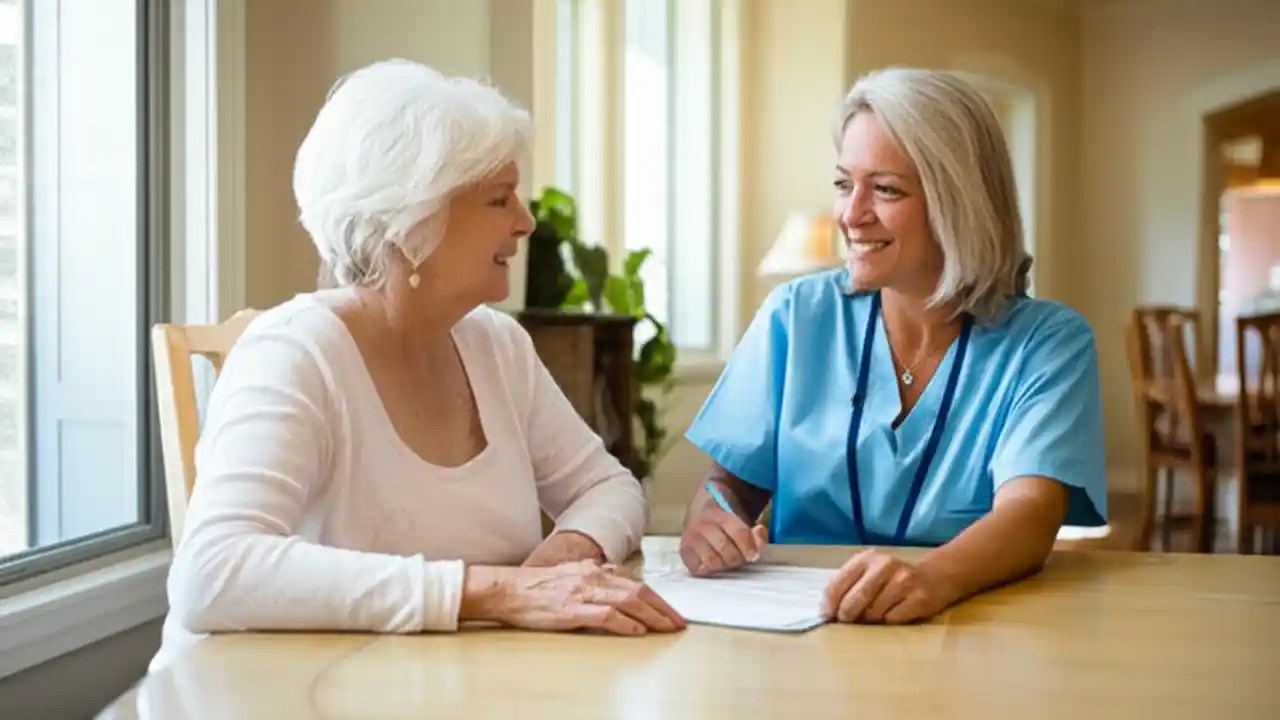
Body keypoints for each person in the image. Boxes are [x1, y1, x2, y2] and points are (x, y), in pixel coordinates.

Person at [151, 60, 684, 670]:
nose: (526, 221)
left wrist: (565, 556)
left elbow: (608, 486)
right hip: (276, 695)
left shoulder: (497, 346)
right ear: (412, 222)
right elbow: (214, 573)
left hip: (447, 684)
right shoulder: (293, 351)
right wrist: (497, 592)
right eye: (498, 199)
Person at [679, 68, 1106, 625]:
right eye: (843, 184)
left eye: (885, 189)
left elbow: (1029, 515)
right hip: (796, 630)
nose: (851, 214)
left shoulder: (1048, 344)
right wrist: (710, 518)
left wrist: (933, 579)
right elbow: (728, 484)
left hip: (969, 623)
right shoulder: (796, 316)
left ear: (959, 203)